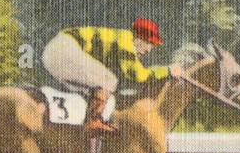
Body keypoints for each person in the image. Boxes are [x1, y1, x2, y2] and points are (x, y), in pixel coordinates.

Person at [40, 17, 181, 136]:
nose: (148, 49)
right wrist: (167, 71)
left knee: (96, 83)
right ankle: (93, 121)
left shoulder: (122, 38)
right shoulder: (125, 43)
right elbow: (139, 76)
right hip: (62, 49)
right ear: (138, 37)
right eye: (148, 43)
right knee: (108, 79)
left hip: (58, 48)